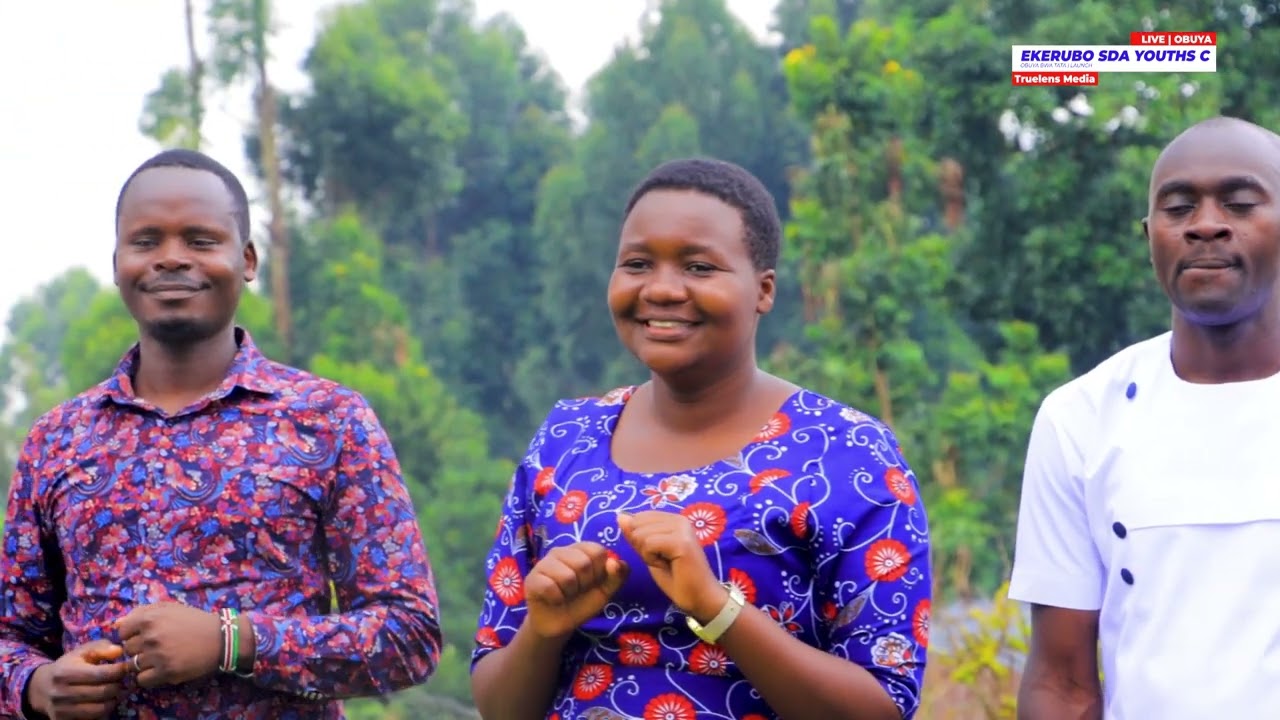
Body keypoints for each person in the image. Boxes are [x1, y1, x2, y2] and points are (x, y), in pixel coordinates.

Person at [469, 157, 932, 719]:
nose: (662, 289)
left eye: (699, 267)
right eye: (637, 264)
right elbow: (498, 706)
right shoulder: (566, 439)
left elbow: (885, 705)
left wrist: (716, 607)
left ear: (763, 290)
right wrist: (544, 631)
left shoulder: (848, 453)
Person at [0, 149, 442, 719]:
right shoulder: (58, 439)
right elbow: (11, 635)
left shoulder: (329, 421)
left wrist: (231, 642)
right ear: (117, 263)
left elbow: (408, 636)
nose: (171, 258)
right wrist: (36, 687)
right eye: (146, 241)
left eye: (201, 240)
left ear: (247, 259)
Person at [1008, 116, 1280, 719]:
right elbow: (1060, 683)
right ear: (1149, 235)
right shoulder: (1080, 420)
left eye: (1239, 203)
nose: (1205, 224)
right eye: (1178, 208)